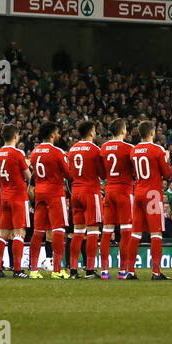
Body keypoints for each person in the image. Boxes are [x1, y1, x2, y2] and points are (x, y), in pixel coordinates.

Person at [28, 121, 72, 279]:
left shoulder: (34, 152)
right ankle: (57, 270)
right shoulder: (57, 151)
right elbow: (68, 174)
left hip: (40, 193)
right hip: (55, 194)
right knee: (59, 230)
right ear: (52, 134)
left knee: (38, 232)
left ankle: (33, 270)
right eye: (57, 132)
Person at [131, 120, 172, 280]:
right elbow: (167, 174)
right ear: (152, 133)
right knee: (156, 234)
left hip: (138, 192)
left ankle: (130, 271)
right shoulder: (157, 150)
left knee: (135, 234)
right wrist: (166, 158)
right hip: (152, 194)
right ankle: (156, 272)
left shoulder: (133, 151)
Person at [100, 118, 137, 279]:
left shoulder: (104, 147)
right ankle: (123, 270)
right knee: (125, 231)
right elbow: (136, 170)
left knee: (107, 231)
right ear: (123, 131)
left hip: (109, 191)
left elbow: (102, 172)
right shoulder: (129, 148)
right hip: (124, 191)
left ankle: (104, 270)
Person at [68, 121, 106, 278]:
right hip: (91, 192)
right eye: (95, 130)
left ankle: (73, 270)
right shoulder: (95, 150)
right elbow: (103, 174)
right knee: (93, 231)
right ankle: (90, 269)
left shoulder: (72, 150)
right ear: (91, 132)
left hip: (75, 192)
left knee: (77, 232)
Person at [0, 125, 32, 278]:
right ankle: (17, 269)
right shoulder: (18, 153)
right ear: (16, 136)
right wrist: (28, 164)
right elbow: (28, 175)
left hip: (4, 196)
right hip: (18, 197)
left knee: (3, 234)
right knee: (19, 232)